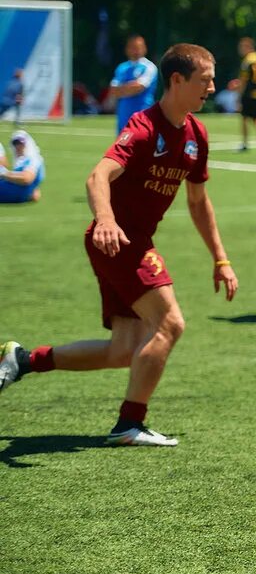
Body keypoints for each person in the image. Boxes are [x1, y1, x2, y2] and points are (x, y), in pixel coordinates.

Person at [0, 43, 239, 446]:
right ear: (177, 80)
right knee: (170, 324)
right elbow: (97, 177)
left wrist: (221, 258)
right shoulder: (144, 127)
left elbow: (198, 203)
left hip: (128, 242)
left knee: (123, 350)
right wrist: (106, 220)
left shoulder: (197, 134)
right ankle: (130, 423)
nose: (212, 88)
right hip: (119, 240)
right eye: (205, 80)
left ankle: (23, 360)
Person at [229, 37, 256, 152]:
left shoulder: (247, 61)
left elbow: (244, 80)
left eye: (242, 47)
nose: (240, 50)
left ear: (248, 47)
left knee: (244, 118)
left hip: (248, 94)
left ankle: (244, 143)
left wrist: (238, 94)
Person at [109, 34, 159, 133]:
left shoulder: (149, 67)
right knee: (122, 146)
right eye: (133, 47)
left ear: (144, 48)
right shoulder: (122, 68)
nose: (136, 51)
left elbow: (138, 87)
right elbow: (113, 90)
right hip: (123, 116)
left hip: (143, 115)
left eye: (138, 47)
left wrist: (122, 89)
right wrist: (130, 87)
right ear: (127, 49)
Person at [0, 130, 44, 203]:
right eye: (15, 144)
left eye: (21, 144)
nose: (18, 147)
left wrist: (3, 173)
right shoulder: (22, 162)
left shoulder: (33, 159)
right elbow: (35, 194)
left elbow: (26, 179)